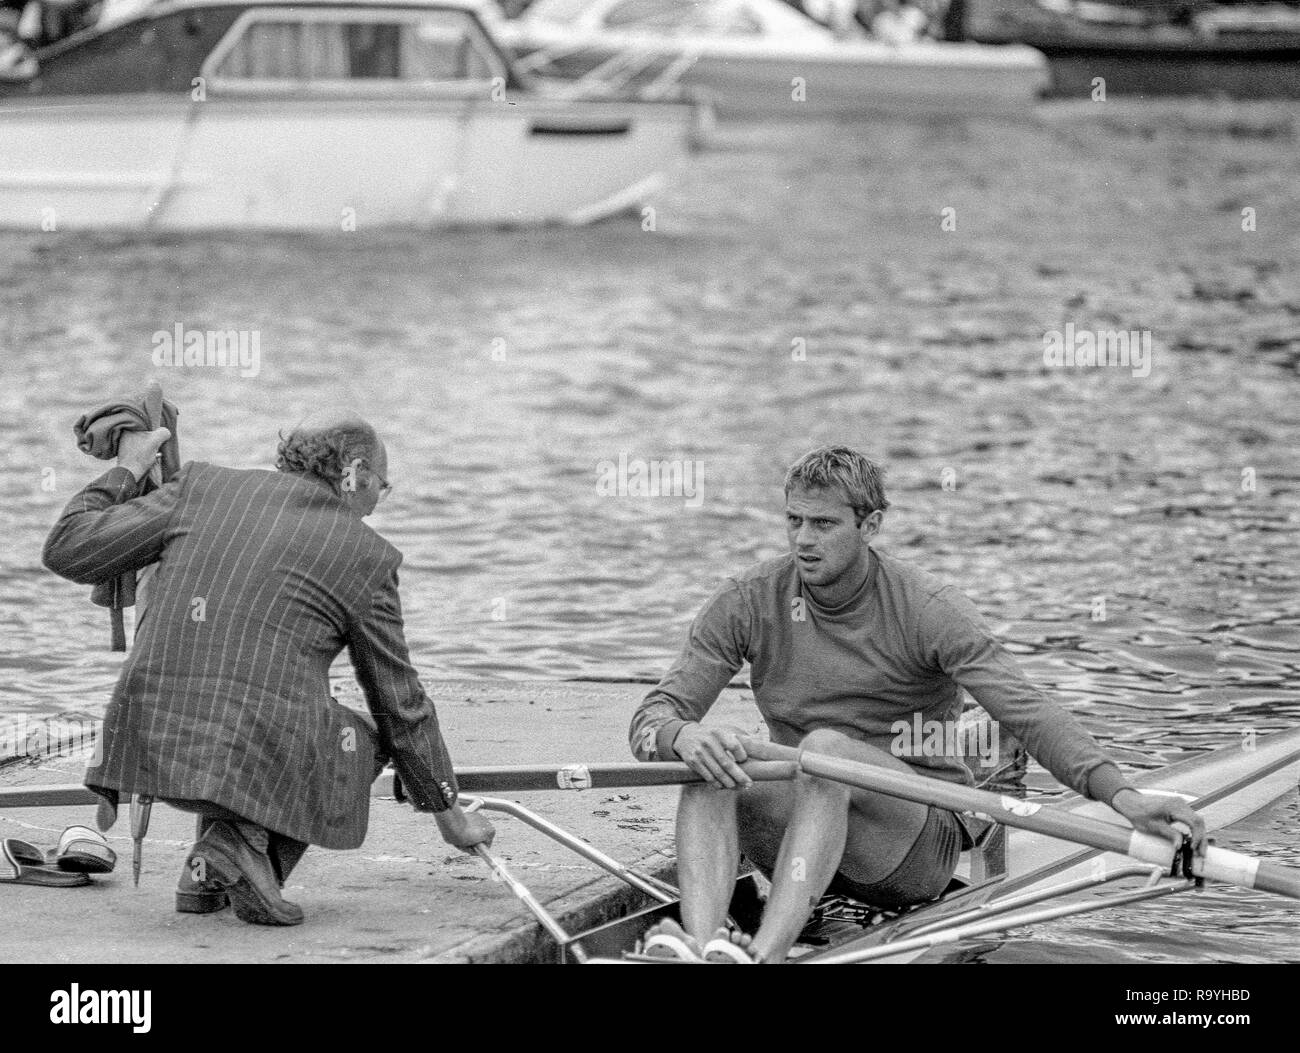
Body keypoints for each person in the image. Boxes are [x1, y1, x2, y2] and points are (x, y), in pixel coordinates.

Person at [628, 445, 1204, 962]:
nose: (803, 539)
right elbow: (653, 719)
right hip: (799, 826)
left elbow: (1026, 712)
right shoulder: (748, 600)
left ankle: (766, 956)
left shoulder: (927, 607)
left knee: (826, 750)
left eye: (824, 524)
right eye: (794, 520)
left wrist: (1123, 797)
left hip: (912, 844)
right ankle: (702, 949)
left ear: (870, 525)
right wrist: (680, 736)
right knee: (711, 755)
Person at [43, 412, 494, 926]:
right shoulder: (366, 556)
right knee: (360, 737)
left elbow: (67, 548)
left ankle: (204, 876)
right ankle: (238, 847)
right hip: (246, 753)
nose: (375, 503)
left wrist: (126, 469)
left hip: (143, 737)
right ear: (356, 472)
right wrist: (449, 814)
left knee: (249, 704)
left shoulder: (201, 485)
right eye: (381, 487)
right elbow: (399, 702)